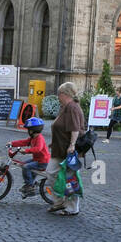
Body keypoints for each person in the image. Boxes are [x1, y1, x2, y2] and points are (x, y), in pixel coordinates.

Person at [47, 83, 87, 216]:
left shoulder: (72, 107)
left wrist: (72, 145)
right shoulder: (65, 107)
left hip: (68, 150)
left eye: (59, 94)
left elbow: (75, 129)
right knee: (51, 173)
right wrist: (53, 143)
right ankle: (59, 202)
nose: (58, 97)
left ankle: (72, 207)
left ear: (64, 94)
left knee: (71, 178)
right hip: (59, 148)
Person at [10, 116, 52, 197]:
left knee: (26, 167)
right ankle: (31, 182)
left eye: (28, 130)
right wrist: (12, 143)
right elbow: (23, 142)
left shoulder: (39, 138)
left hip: (43, 162)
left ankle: (29, 185)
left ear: (32, 130)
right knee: (23, 164)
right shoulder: (33, 138)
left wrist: (26, 151)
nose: (28, 131)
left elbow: (38, 149)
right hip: (37, 159)